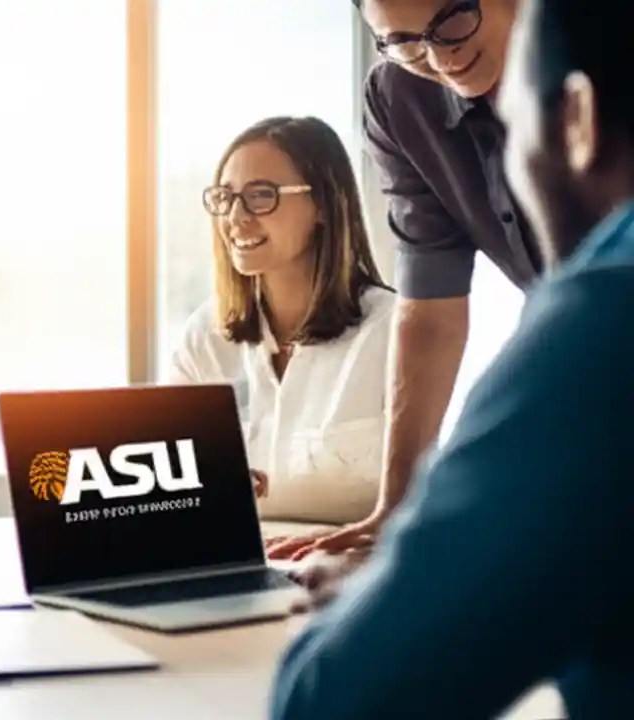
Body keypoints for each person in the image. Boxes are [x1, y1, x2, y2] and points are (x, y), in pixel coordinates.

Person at [271, 1, 634, 716]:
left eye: (514, 123)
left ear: (578, 119)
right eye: (403, 44)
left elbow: (334, 700)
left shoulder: (604, 323)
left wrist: (409, 599)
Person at [270, 0, 539, 558]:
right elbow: (432, 314)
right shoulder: (398, 97)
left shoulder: (600, 51)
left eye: (451, 23)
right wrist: (395, 506)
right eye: (404, 40)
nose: (440, 57)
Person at [169, 116, 393, 525]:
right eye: (225, 197)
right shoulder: (205, 337)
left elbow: (428, 495)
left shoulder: (393, 332)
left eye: (260, 196)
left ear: (324, 205)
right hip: (232, 568)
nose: (236, 217)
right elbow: (176, 490)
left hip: (353, 574)